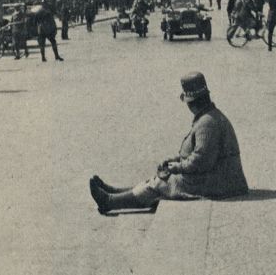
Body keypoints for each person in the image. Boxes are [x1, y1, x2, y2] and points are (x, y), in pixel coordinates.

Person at [88, 72, 248, 214]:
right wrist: (175, 160)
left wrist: (177, 166)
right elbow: (200, 154)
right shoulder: (208, 117)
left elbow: (202, 160)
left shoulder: (207, 123)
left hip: (218, 183)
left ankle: (110, 201)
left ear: (192, 103)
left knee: (161, 182)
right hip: (220, 178)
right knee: (160, 179)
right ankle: (116, 193)